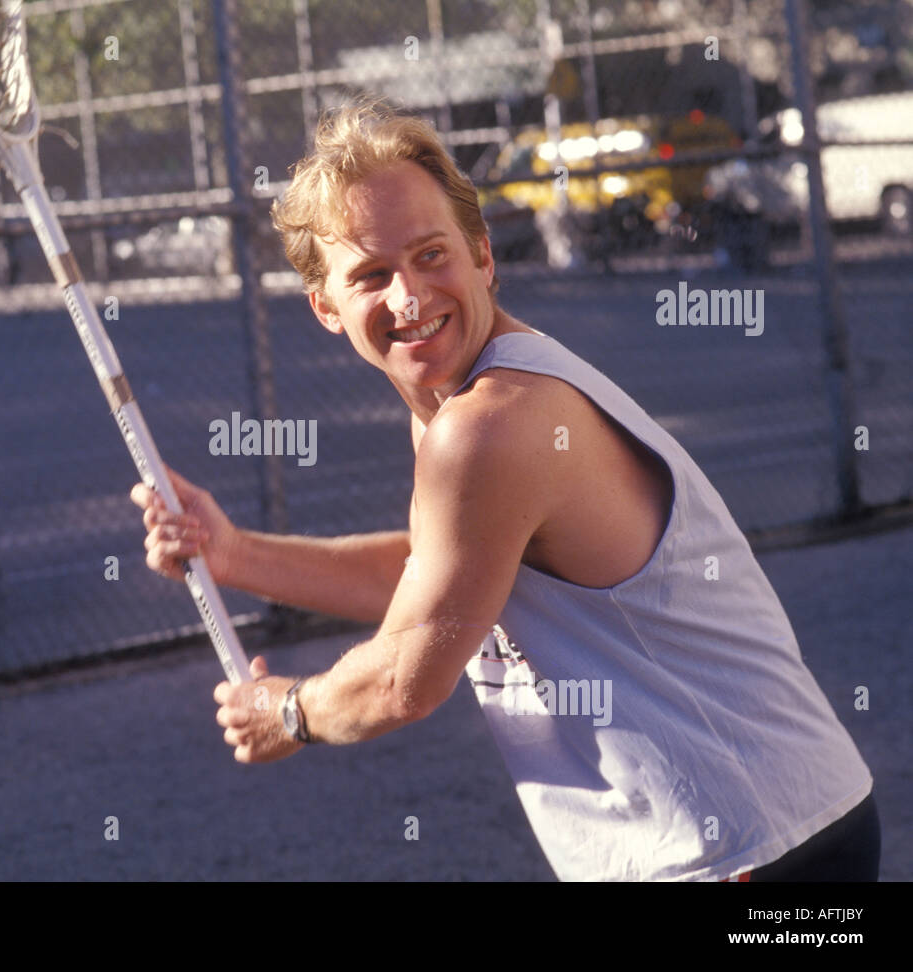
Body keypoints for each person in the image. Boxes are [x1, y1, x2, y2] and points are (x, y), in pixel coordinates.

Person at [129, 101, 878, 882]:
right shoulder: (459, 403)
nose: (409, 297)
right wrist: (234, 553)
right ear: (325, 307)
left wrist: (291, 712)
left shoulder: (490, 424)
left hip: (749, 856)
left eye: (430, 255)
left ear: (484, 255)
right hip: (791, 830)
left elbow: (406, 679)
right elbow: (439, 578)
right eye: (372, 275)